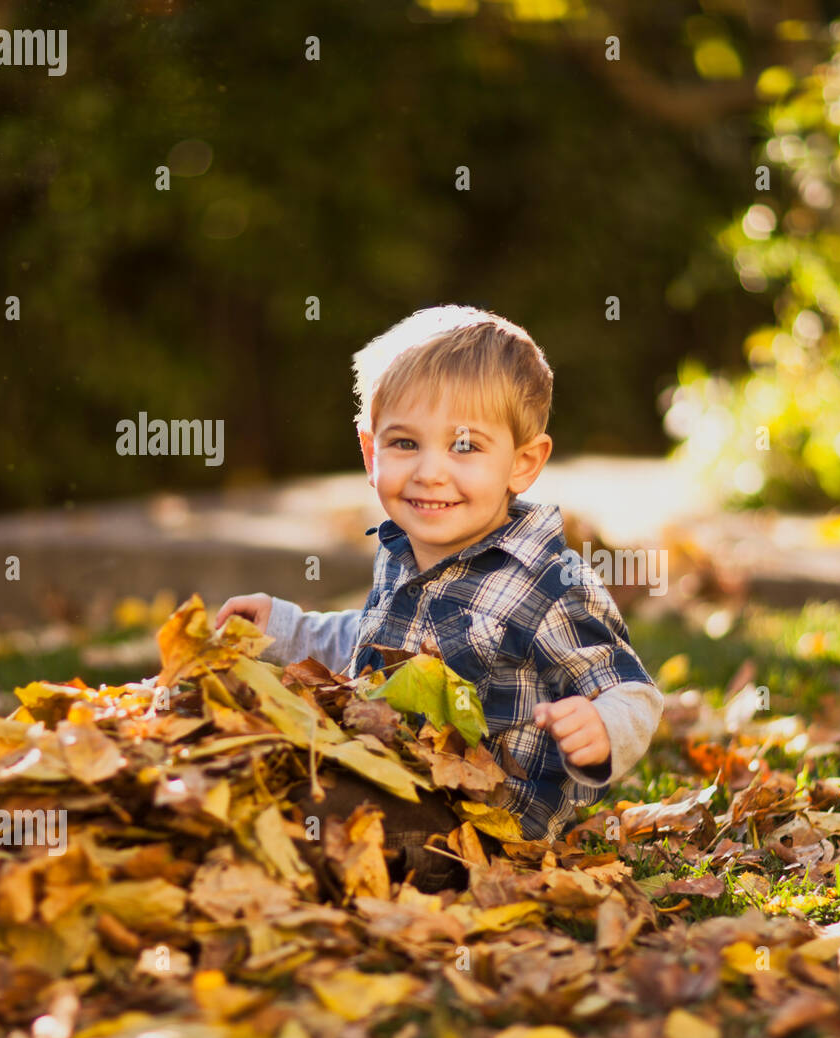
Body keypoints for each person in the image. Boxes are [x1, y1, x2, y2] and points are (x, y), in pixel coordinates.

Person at [215, 304, 663, 857]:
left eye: (465, 446)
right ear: (370, 451)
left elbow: (634, 691)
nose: (430, 470)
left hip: (483, 827)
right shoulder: (404, 550)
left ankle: (302, 869)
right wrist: (284, 627)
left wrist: (601, 727)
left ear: (523, 463)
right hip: (393, 769)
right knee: (240, 742)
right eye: (405, 444)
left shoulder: (546, 583)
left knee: (333, 814)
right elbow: (373, 645)